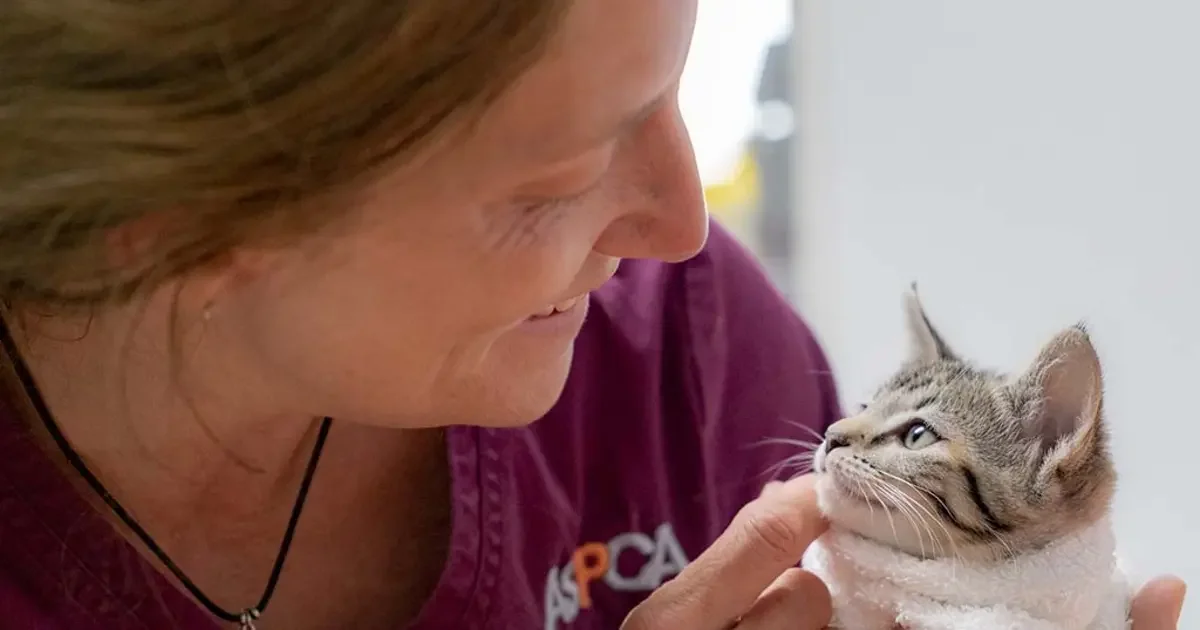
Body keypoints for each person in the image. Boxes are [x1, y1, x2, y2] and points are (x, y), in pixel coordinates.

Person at [0, 0, 1184, 628]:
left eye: (675, 85)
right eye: (559, 174)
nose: (679, 226)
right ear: (176, 214)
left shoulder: (700, 358)